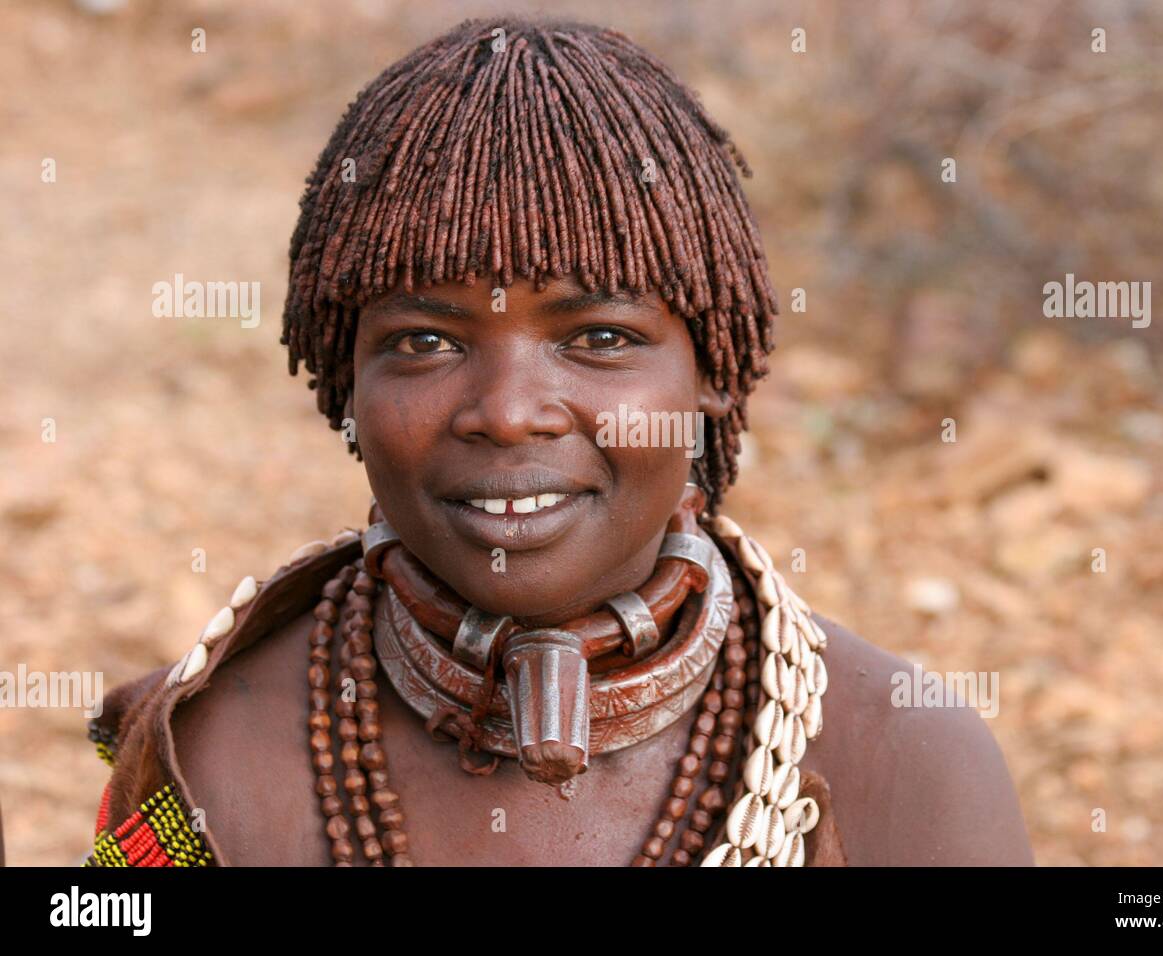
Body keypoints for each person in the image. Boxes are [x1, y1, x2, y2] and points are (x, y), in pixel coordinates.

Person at [83, 16, 1033, 867]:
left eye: (601, 339)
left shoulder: (906, 761)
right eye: (425, 342)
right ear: (345, 380)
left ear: (712, 372)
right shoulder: (207, 758)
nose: (507, 411)